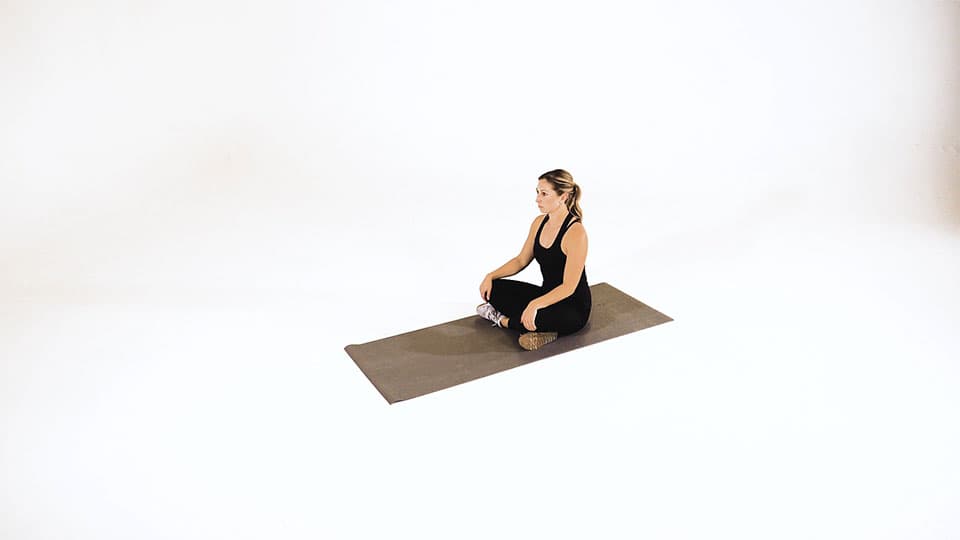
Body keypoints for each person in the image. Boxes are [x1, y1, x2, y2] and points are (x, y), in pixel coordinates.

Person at [477, 169, 591, 350]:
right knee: (494, 289)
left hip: (572, 307)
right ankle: (536, 327)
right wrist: (490, 276)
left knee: (537, 316)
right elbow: (521, 260)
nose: (537, 199)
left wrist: (535, 304)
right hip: (545, 295)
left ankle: (503, 321)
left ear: (563, 197)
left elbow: (569, 287)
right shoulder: (539, 223)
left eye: (544, 194)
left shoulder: (576, 233)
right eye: (537, 192)